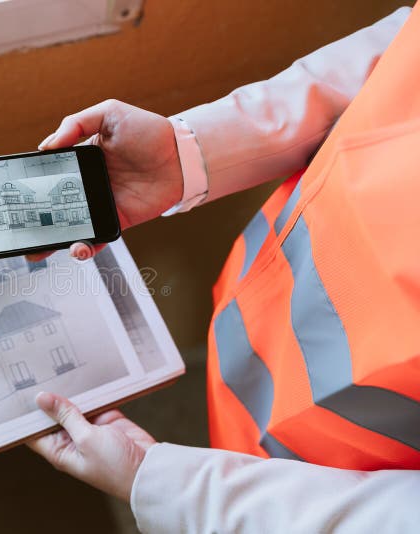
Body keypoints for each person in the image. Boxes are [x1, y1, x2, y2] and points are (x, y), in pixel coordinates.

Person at [26, 6, 420, 532]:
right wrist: (187, 153)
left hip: (328, 468)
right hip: (263, 308)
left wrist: (175, 485)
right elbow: (405, 55)